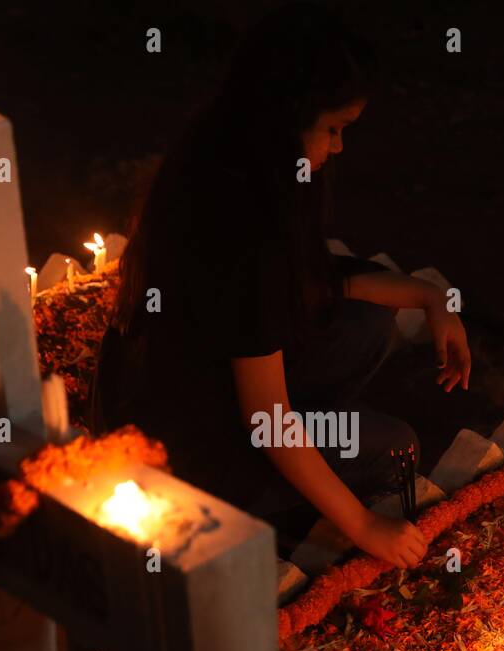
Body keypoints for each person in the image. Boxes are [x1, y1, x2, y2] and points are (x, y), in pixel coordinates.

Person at [90, 3, 470, 569]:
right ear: (285, 114)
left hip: (191, 386)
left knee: (368, 321)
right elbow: (267, 420)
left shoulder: (230, 153)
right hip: (178, 446)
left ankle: (305, 455)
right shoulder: (245, 225)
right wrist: (365, 526)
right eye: (333, 129)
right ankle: (269, 512)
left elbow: (317, 280)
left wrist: (430, 297)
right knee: (394, 449)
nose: (338, 147)